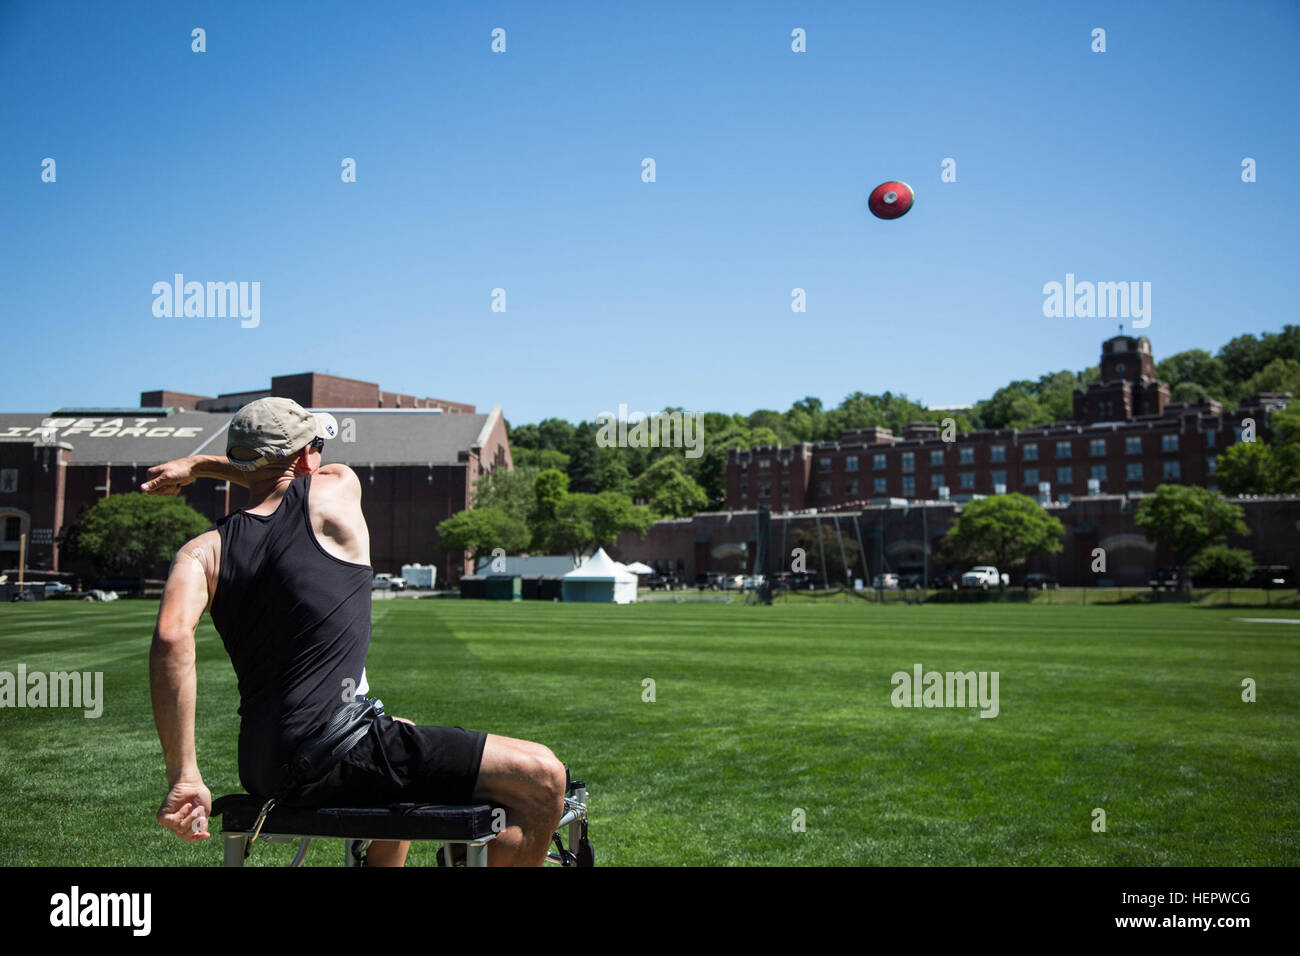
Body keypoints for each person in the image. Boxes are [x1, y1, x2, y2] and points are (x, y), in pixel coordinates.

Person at [145, 397, 566, 866]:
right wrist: (199, 466)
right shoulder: (334, 490)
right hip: (335, 754)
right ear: (307, 456)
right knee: (542, 775)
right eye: (318, 445)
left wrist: (184, 776)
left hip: (263, 765)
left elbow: (170, 639)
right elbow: (286, 475)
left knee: (400, 736)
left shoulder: (200, 551)